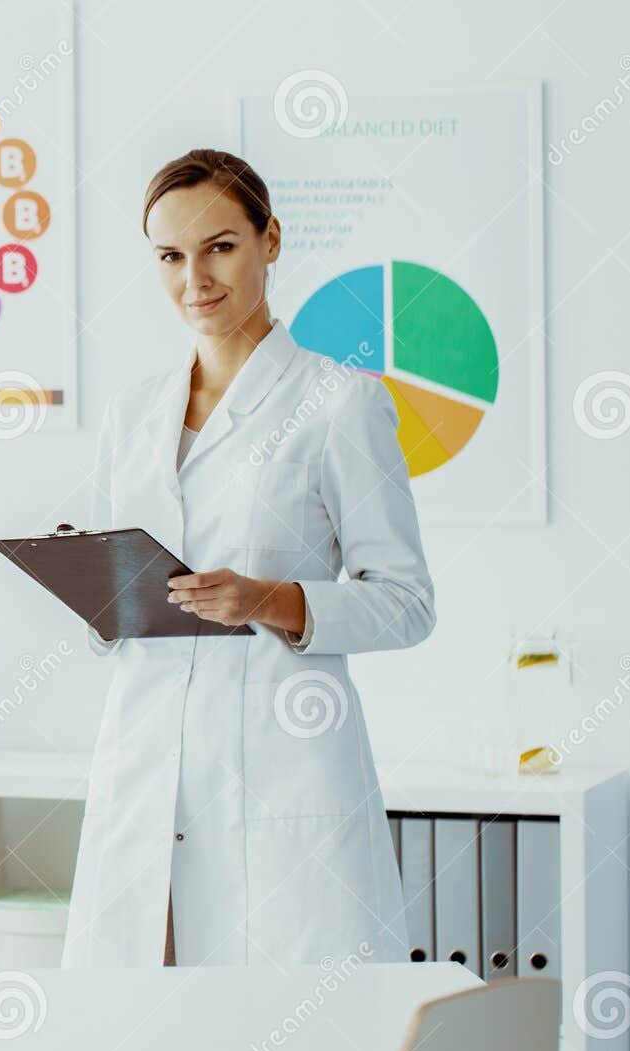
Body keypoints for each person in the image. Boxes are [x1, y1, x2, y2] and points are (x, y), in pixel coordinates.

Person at [62, 149, 435, 969]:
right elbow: (113, 619)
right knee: (130, 1039)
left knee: (290, 1046)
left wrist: (267, 599)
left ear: (270, 240)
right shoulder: (134, 413)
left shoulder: (340, 402)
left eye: (220, 245)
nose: (195, 277)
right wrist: (94, 587)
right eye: (170, 255)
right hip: (144, 771)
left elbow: (407, 602)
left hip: (285, 774)